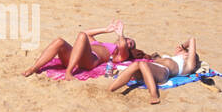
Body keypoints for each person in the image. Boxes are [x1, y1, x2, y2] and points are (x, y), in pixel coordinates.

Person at [22, 19, 151, 79]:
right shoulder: (101, 43)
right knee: (59, 41)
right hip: (76, 56)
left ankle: (68, 72)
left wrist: (121, 34)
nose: (128, 43)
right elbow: (87, 33)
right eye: (129, 40)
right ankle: (34, 68)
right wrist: (105, 30)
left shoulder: (119, 55)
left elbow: (122, 46)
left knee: (82, 36)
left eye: (131, 44)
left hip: (90, 60)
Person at [108, 38, 200, 104]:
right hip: (149, 69)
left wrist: (184, 48)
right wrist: (182, 47)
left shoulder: (189, 66)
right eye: (186, 53)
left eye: (190, 54)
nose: (187, 54)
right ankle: (110, 89)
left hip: (163, 72)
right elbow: (186, 44)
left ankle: (154, 95)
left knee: (141, 64)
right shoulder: (175, 57)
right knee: (136, 65)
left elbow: (192, 40)